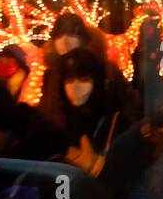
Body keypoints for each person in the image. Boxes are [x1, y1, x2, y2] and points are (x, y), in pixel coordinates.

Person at [44, 47, 140, 177]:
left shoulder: (116, 121)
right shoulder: (61, 122)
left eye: (84, 79)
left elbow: (127, 178)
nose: (75, 87)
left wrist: (98, 170)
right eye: (69, 80)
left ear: (98, 82)